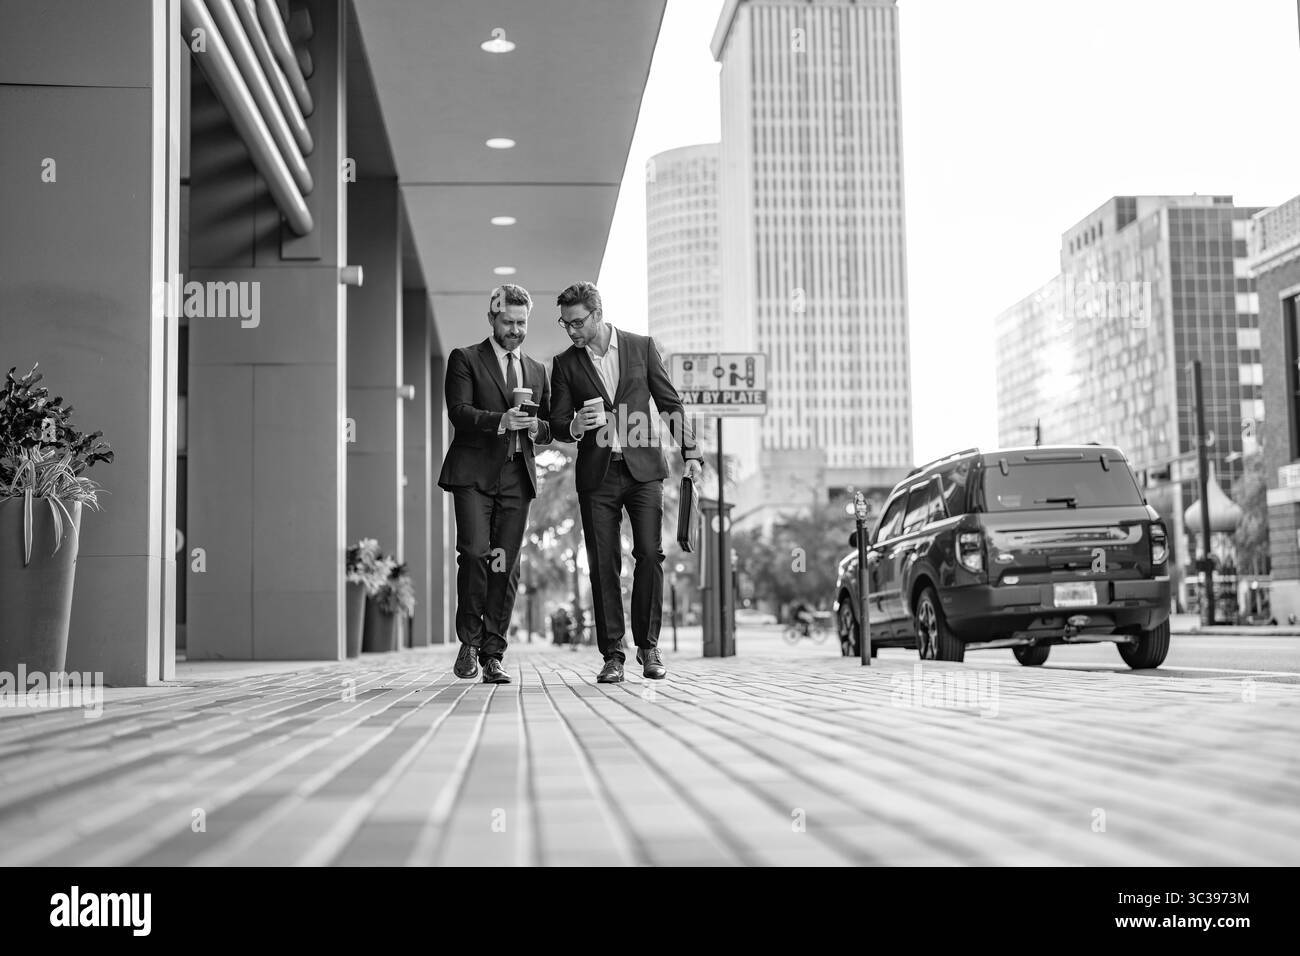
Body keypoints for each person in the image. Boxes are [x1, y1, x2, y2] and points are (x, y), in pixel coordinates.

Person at [549, 281, 703, 683]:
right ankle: (612, 654)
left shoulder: (641, 347)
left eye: (578, 322)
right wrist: (572, 425)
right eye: (565, 324)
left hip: (643, 471)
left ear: (598, 314)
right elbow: (557, 422)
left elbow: (670, 403)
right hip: (597, 476)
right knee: (603, 565)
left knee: (650, 555)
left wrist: (691, 453)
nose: (572, 331)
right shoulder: (565, 363)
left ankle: (649, 647)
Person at [436, 284, 551, 683]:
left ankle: (493, 653)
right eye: (508, 322)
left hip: (516, 477)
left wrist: (538, 427)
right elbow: (459, 412)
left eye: (522, 323)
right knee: (474, 554)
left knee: (505, 563)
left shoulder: (536, 369)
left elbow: (549, 426)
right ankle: (468, 641)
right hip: (472, 475)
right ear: (492, 319)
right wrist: (500, 420)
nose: (515, 330)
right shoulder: (465, 359)